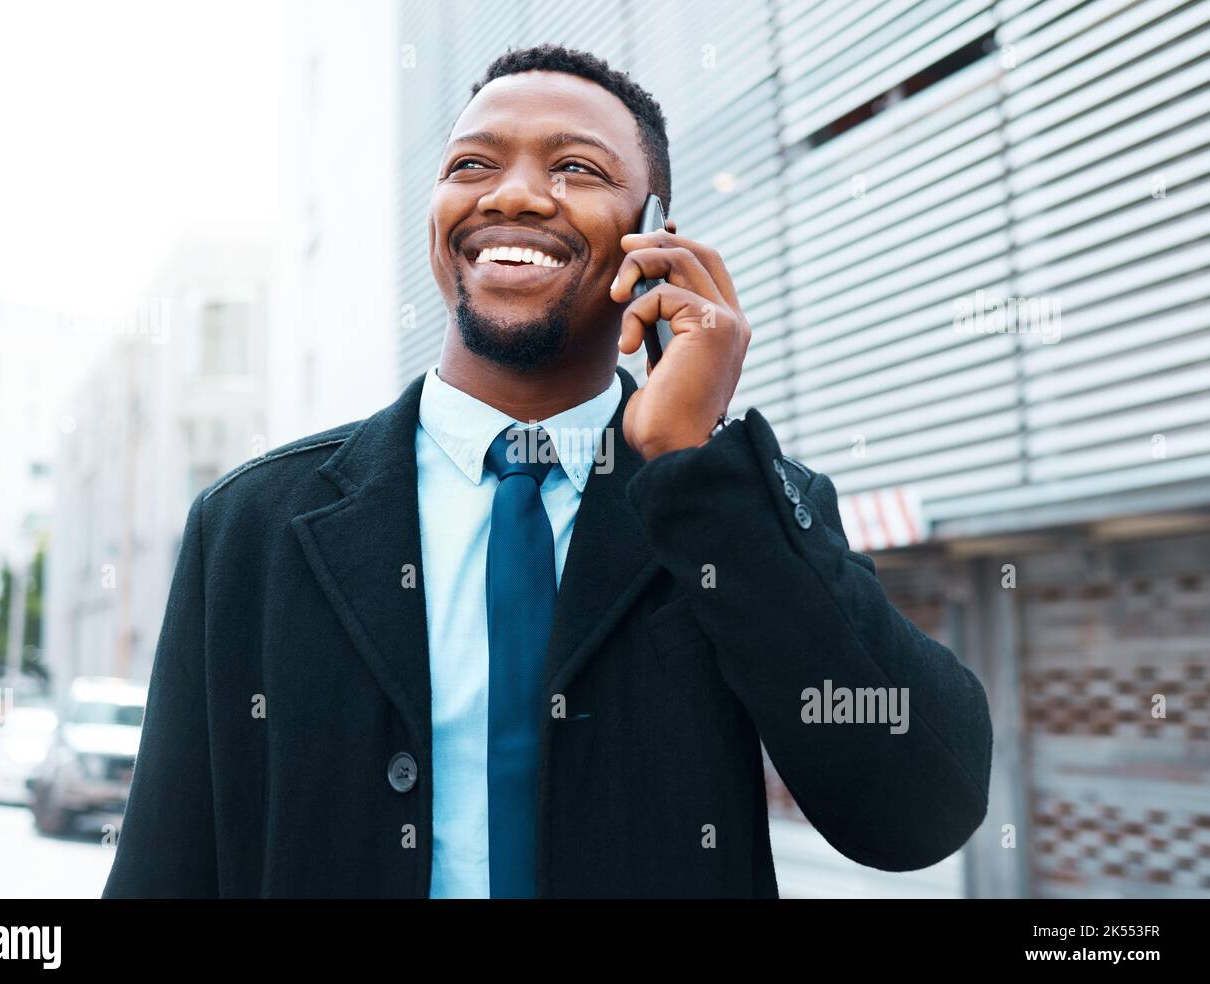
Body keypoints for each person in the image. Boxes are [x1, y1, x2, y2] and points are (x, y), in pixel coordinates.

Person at [102, 43, 991, 899]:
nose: (516, 194)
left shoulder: (735, 508)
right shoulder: (250, 525)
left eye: (575, 167)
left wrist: (694, 459)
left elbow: (919, 808)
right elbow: (164, 869)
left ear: (653, 241)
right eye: (472, 165)